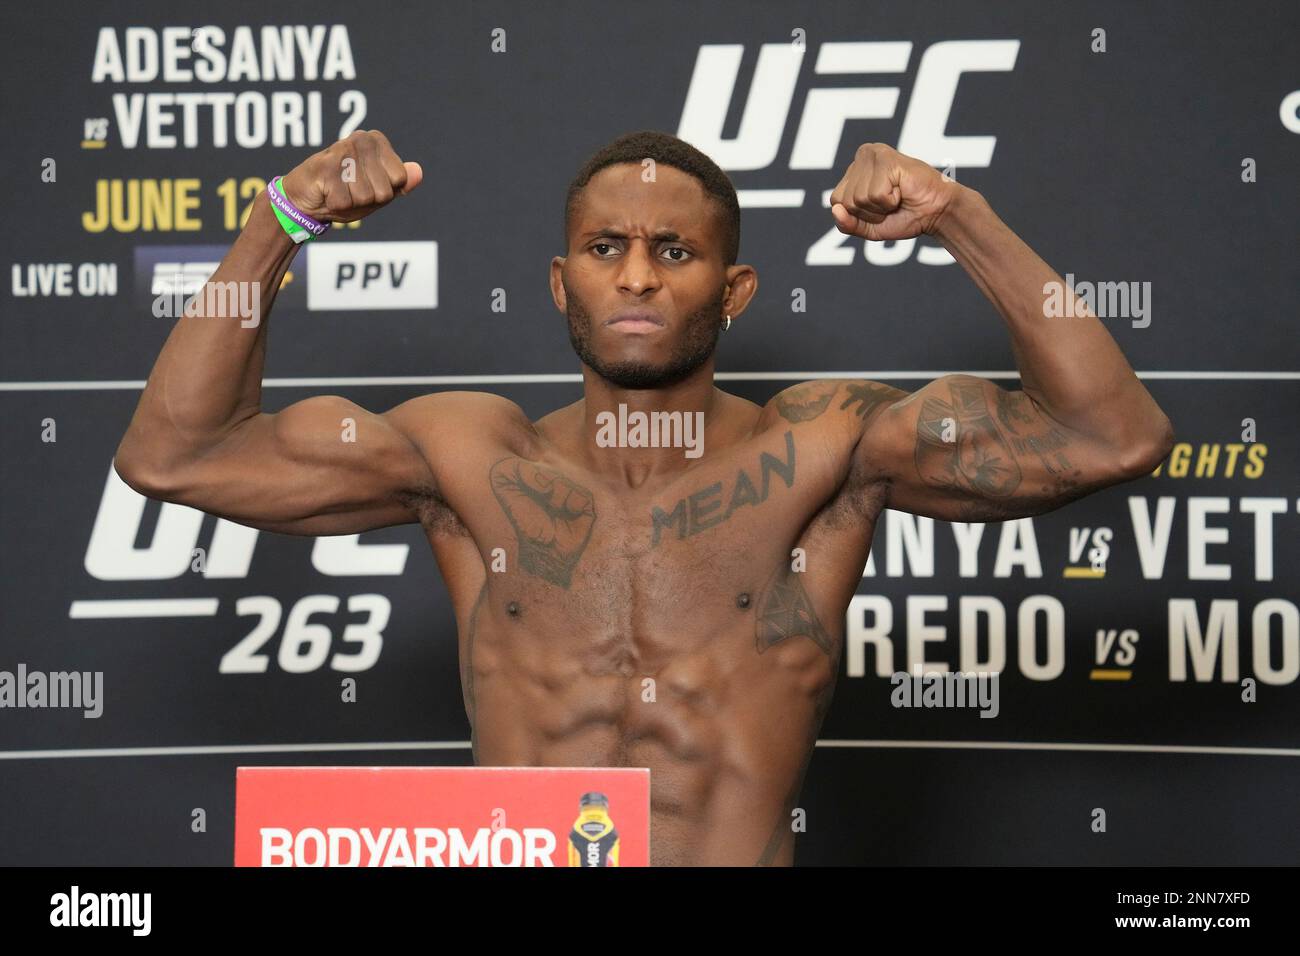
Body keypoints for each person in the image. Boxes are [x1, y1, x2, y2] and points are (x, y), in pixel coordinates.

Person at [114, 129, 1173, 866]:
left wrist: (957, 213)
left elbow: (1109, 434)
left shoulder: (824, 447)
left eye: (674, 251)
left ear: (733, 287)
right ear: (559, 279)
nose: (634, 277)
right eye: (603, 248)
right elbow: (178, 453)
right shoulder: (467, 455)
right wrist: (278, 220)